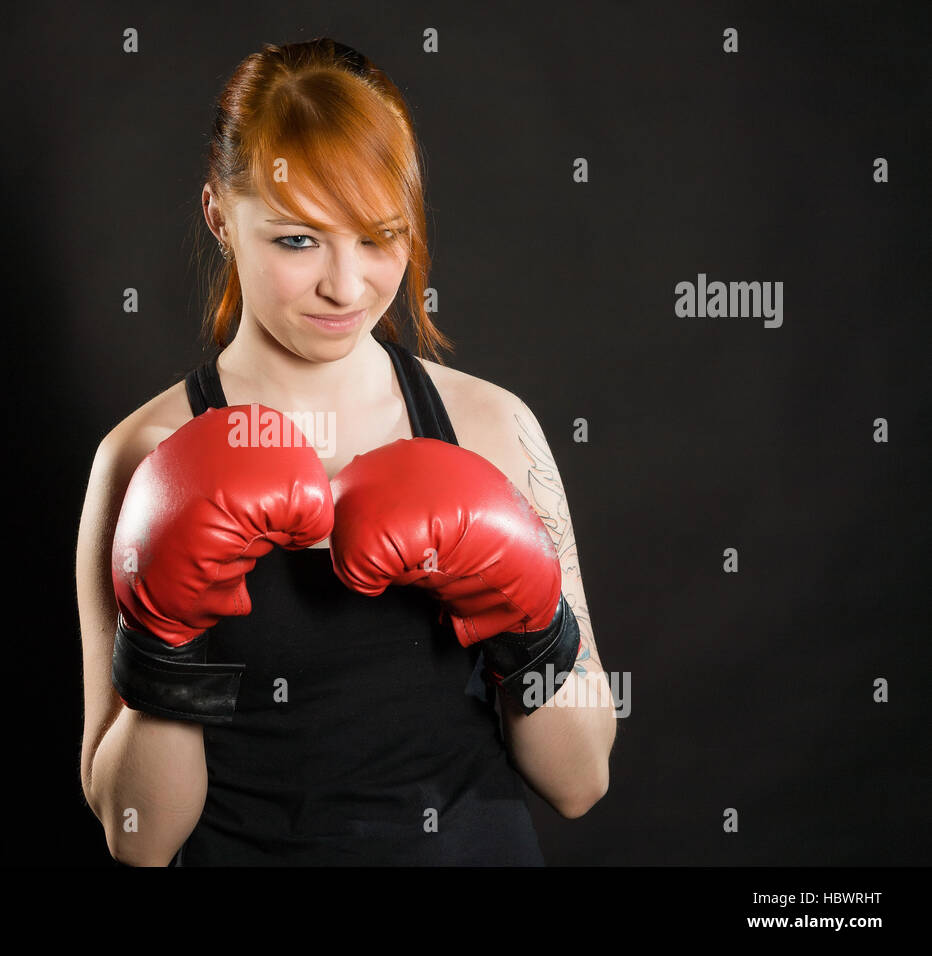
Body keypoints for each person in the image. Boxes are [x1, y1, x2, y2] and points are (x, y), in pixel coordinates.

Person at [76, 38, 616, 866]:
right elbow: (137, 838)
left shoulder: (491, 428)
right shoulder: (142, 456)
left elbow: (580, 781)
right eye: (299, 240)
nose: (347, 285)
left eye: (378, 237)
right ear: (220, 213)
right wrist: (165, 636)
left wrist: (531, 623)